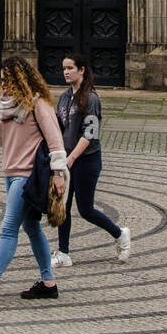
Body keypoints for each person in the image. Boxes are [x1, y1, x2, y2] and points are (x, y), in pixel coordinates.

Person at [0, 55, 69, 303]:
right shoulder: (6, 104)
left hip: (27, 175)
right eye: (1, 80)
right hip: (10, 172)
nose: (3, 85)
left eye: (8, 80)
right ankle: (48, 282)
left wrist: (58, 174)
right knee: (31, 228)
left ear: (20, 78)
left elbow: (55, 139)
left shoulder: (38, 104)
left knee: (9, 227)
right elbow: (2, 140)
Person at [51, 52, 130, 267]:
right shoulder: (64, 96)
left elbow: (91, 133)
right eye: (64, 68)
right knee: (63, 206)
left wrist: (72, 157)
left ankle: (119, 233)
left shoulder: (91, 99)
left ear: (82, 70)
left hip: (86, 161)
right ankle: (64, 252)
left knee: (86, 210)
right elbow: (59, 126)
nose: (66, 72)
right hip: (67, 160)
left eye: (70, 68)